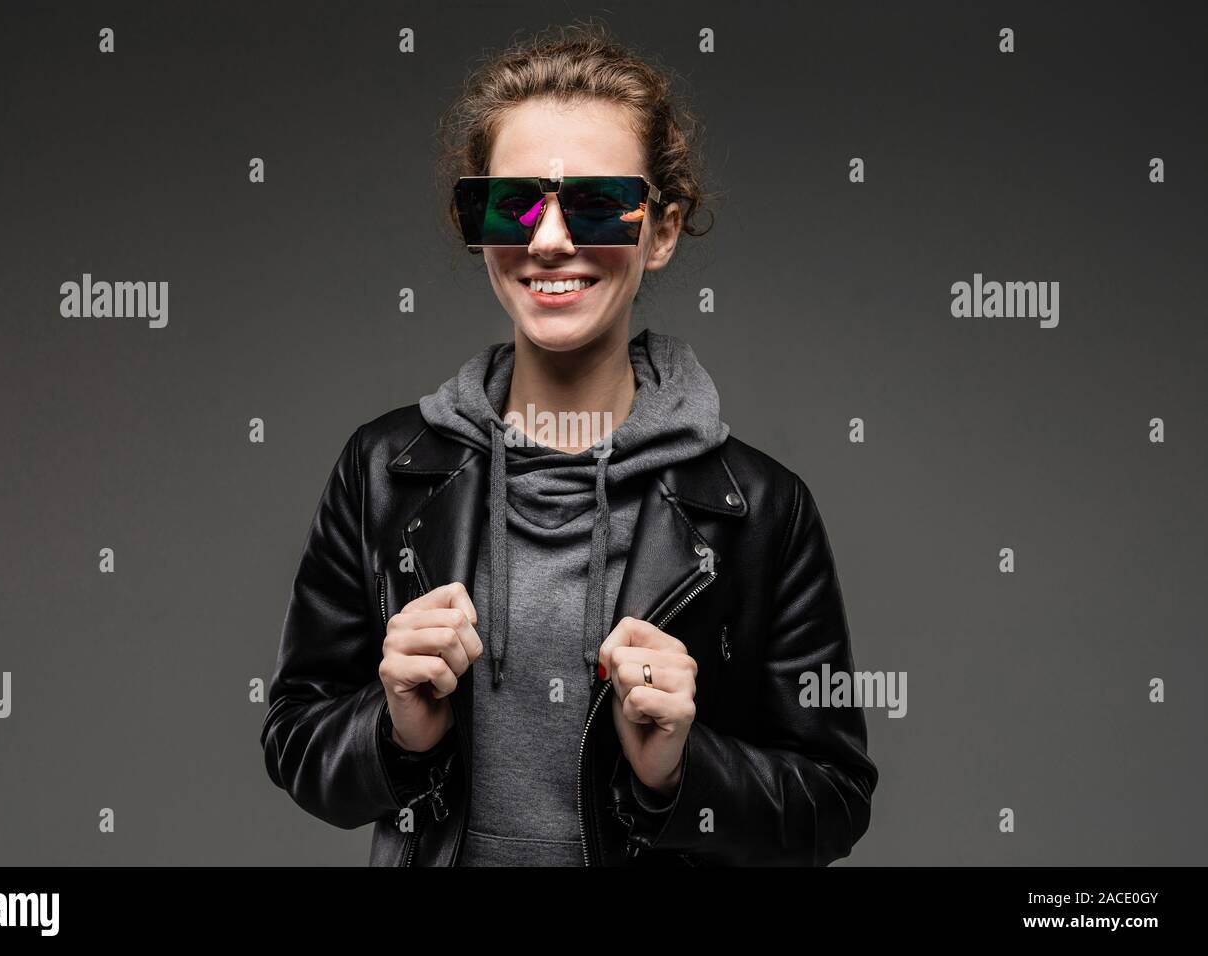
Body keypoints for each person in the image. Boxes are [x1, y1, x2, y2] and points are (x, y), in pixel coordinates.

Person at [260, 20, 877, 866]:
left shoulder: (760, 508)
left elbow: (833, 801)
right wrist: (395, 729)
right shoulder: (385, 471)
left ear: (661, 231)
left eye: (595, 202)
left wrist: (675, 771)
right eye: (514, 203)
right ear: (476, 227)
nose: (549, 238)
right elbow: (294, 736)